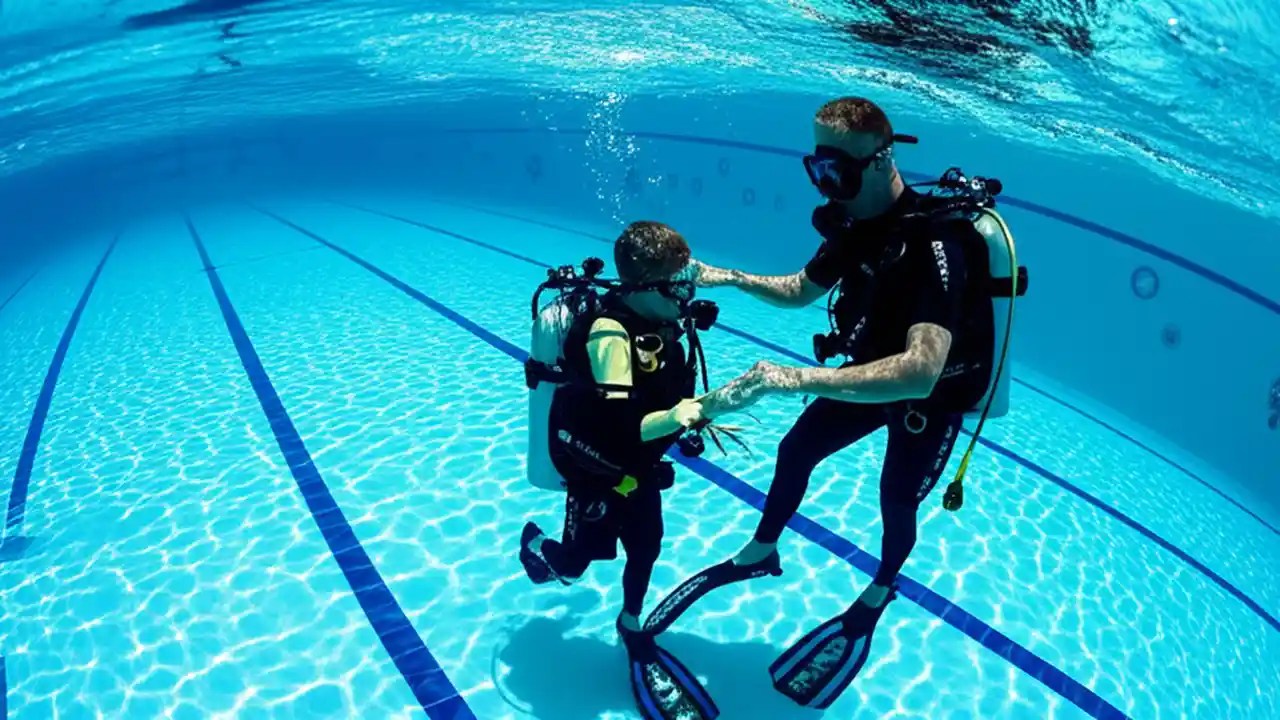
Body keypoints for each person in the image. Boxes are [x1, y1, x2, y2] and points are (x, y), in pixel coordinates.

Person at [641, 96, 1026, 709]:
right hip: (868, 374)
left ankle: (879, 590)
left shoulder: (937, 244)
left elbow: (920, 371)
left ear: (879, 162)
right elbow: (800, 290)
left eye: (836, 171)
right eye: (816, 168)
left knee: (896, 499)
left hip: (931, 395)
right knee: (797, 449)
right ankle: (763, 550)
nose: (826, 185)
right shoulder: (855, 226)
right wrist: (730, 277)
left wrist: (788, 379)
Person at [519, 221, 746, 720]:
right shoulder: (609, 335)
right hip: (593, 464)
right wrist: (685, 415)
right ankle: (535, 547)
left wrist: (682, 420)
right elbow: (618, 426)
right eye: (678, 286)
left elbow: (665, 401)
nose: (686, 296)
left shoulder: (665, 325)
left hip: (636, 468)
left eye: (688, 283)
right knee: (575, 563)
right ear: (645, 288)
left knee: (646, 545)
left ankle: (630, 621)